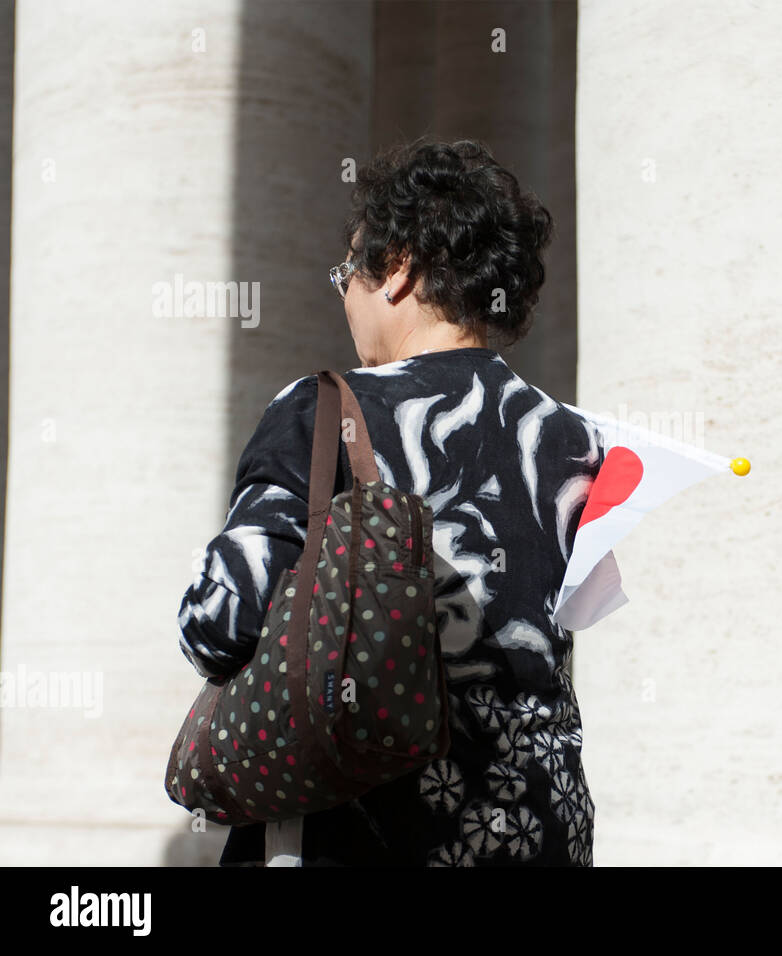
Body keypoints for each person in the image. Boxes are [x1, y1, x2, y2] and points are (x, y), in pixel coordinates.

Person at [176, 138, 601, 866]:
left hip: (367, 833)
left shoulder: (325, 411)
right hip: (542, 831)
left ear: (398, 267)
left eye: (347, 270)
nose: (343, 293)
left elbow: (216, 626)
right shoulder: (573, 439)